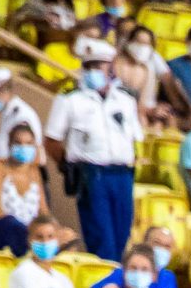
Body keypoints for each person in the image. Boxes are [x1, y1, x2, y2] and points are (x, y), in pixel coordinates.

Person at [46, 45, 141, 259]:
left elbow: (134, 138)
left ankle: (117, 274)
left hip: (122, 173)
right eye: (89, 66)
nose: (93, 71)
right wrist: (67, 166)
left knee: (122, 234)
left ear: (111, 68)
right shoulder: (70, 99)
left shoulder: (125, 99)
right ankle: (104, 276)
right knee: (102, 237)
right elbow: (51, 140)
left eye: (99, 66)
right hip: (92, 174)